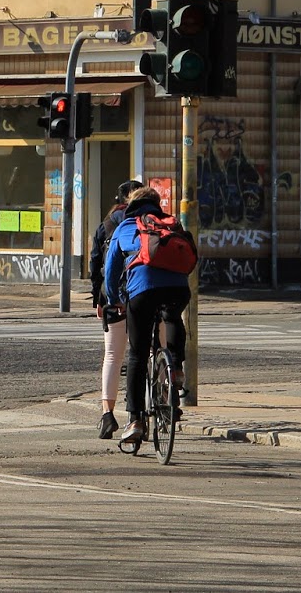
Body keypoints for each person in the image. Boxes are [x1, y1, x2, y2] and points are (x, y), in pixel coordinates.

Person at [103, 184, 191, 447]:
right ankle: (175, 367)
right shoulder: (171, 224)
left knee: (138, 355)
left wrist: (113, 299)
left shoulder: (126, 226)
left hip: (142, 290)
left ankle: (135, 421)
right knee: (173, 317)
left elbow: (111, 269)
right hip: (178, 287)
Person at [89, 179, 142, 439]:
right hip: (149, 293)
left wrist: (99, 299)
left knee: (112, 355)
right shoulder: (155, 221)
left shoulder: (108, 224)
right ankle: (164, 398)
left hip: (115, 297)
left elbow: (96, 263)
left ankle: (107, 416)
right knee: (152, 352)